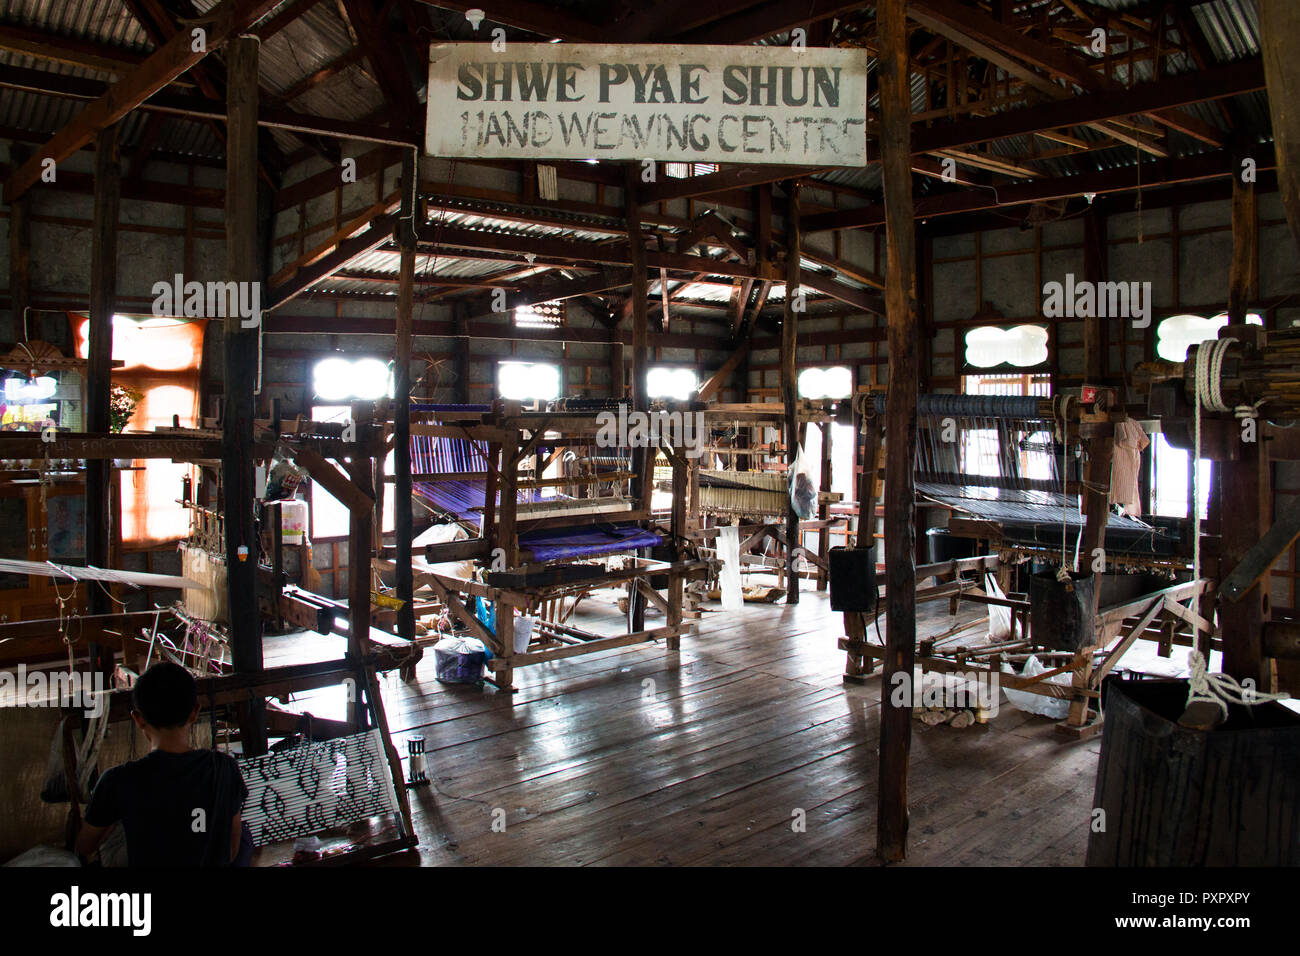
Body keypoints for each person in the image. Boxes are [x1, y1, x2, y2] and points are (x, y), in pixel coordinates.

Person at [76, 661, 251, 866]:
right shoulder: (224, 768)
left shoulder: (117, 781)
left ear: (138, 719)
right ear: (194, 712)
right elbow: (232, 848)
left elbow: (84, 846)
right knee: (244, 834)